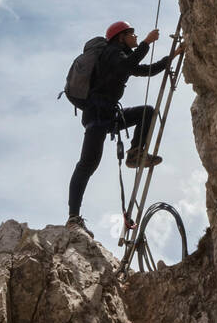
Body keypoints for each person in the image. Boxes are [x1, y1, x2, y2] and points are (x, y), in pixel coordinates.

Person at [66, 21, 183, 234]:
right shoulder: (111, 53)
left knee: (147, 112)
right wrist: (147, 43)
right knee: (87, 164)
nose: (136, 38)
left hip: (107, 115)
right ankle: (73, 216)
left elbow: (142, 70)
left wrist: (172, 56)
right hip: (98, 117)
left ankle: (135, 154)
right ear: (121, 37)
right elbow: (130, 66)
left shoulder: (119, 56)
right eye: (133, 34)